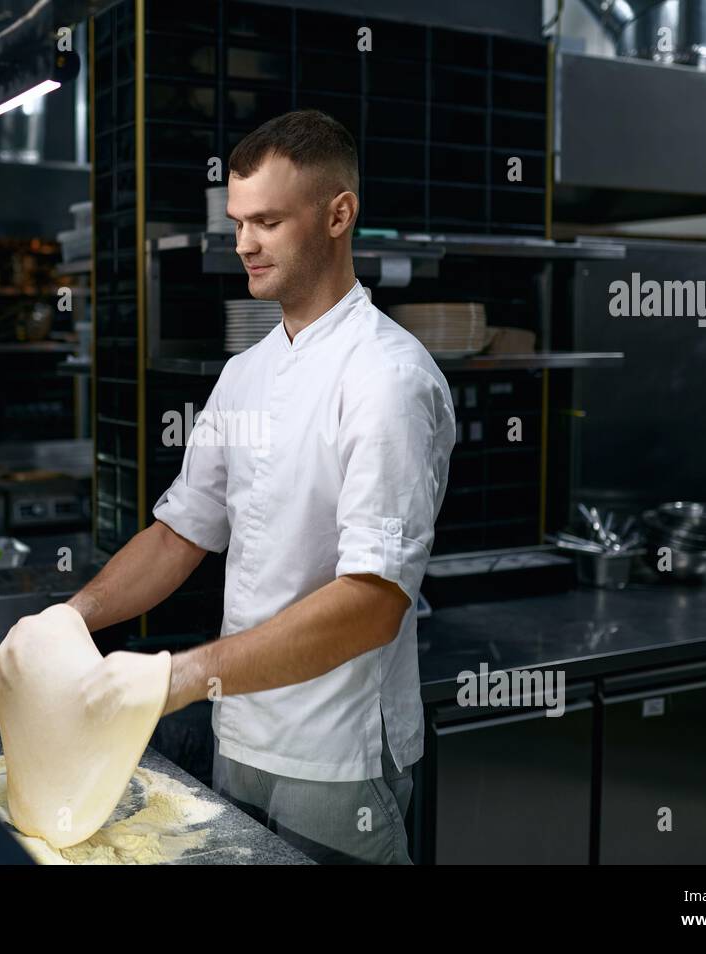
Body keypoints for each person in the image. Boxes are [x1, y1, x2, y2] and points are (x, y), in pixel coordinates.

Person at [73, 110, 454, 863]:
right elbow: (181, 532)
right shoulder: (243, 373)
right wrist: (71, 619)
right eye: (239, 222)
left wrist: (180, 676)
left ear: (338, 214)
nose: (242, 243)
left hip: (335, 755)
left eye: (268, 221)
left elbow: (372, 604)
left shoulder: (386, 377)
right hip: (238, 734)